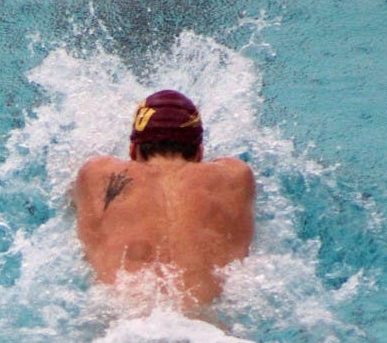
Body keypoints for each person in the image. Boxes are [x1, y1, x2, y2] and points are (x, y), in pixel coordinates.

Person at [72, 89, 255, 314]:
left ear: (132, 150)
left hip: (124, 330)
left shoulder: (95, 173)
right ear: (199, 152)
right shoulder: (236, 176)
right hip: (204, 333)